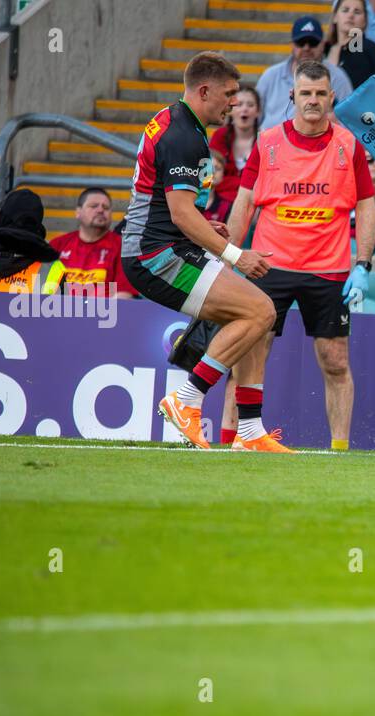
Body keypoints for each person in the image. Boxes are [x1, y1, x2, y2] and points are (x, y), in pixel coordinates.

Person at [120, 53, 279, 452]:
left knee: (258, 318)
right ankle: (186, 399)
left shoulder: (174, 121)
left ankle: (250, 433)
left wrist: (201, 225)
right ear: (204, 90)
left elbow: (162, 201)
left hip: (160, 242)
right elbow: (178, 212)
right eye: (228, 95)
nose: (232, 104)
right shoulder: (183, 135)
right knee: (260, 312)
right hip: (155, 253)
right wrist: (235, 254)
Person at [225, 60, 375, 452]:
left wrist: (363, 265)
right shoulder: (267, 141)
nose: (313, 100)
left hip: (328, 271)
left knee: (335, 361)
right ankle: (231, 441)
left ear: (332, 97)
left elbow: (366, 206)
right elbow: (244, 203)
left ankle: (339, 450)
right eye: (305, 93)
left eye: (320, 93)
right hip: (268, 265)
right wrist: (229, 255)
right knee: (249, 353)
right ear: (292, 96)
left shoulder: (350, 144)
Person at [257, 17, 354, 129]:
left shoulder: (338, 78)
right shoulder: (270, 76)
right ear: (292, 45)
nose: (306, 48)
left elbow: (349, 123)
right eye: (300, 42)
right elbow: (254, 119)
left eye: (313, 43)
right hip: (272, 143)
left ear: (323, 45)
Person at [49, 188, 136, 298]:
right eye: (94, 206)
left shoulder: (122, 247)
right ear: (78, 212)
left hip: (105, 313)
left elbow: (124, 295)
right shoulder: (58, 244)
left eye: (106, 207)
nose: (100, 210)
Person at [209, 84, 260, 228]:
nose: (244, 109)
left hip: (253, 206)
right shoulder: (220, 136)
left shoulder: (265, 140)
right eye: (239, 104)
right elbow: (210, 173)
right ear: (231, 110)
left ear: (258, 111)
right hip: (219, 203)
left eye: (250, 105)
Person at [325, 0, 375, 90]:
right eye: (345, 10)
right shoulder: (323, 49)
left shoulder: (373, 52)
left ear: (365, 21)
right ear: (335, 16)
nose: (350, 15)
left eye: (357, 12)